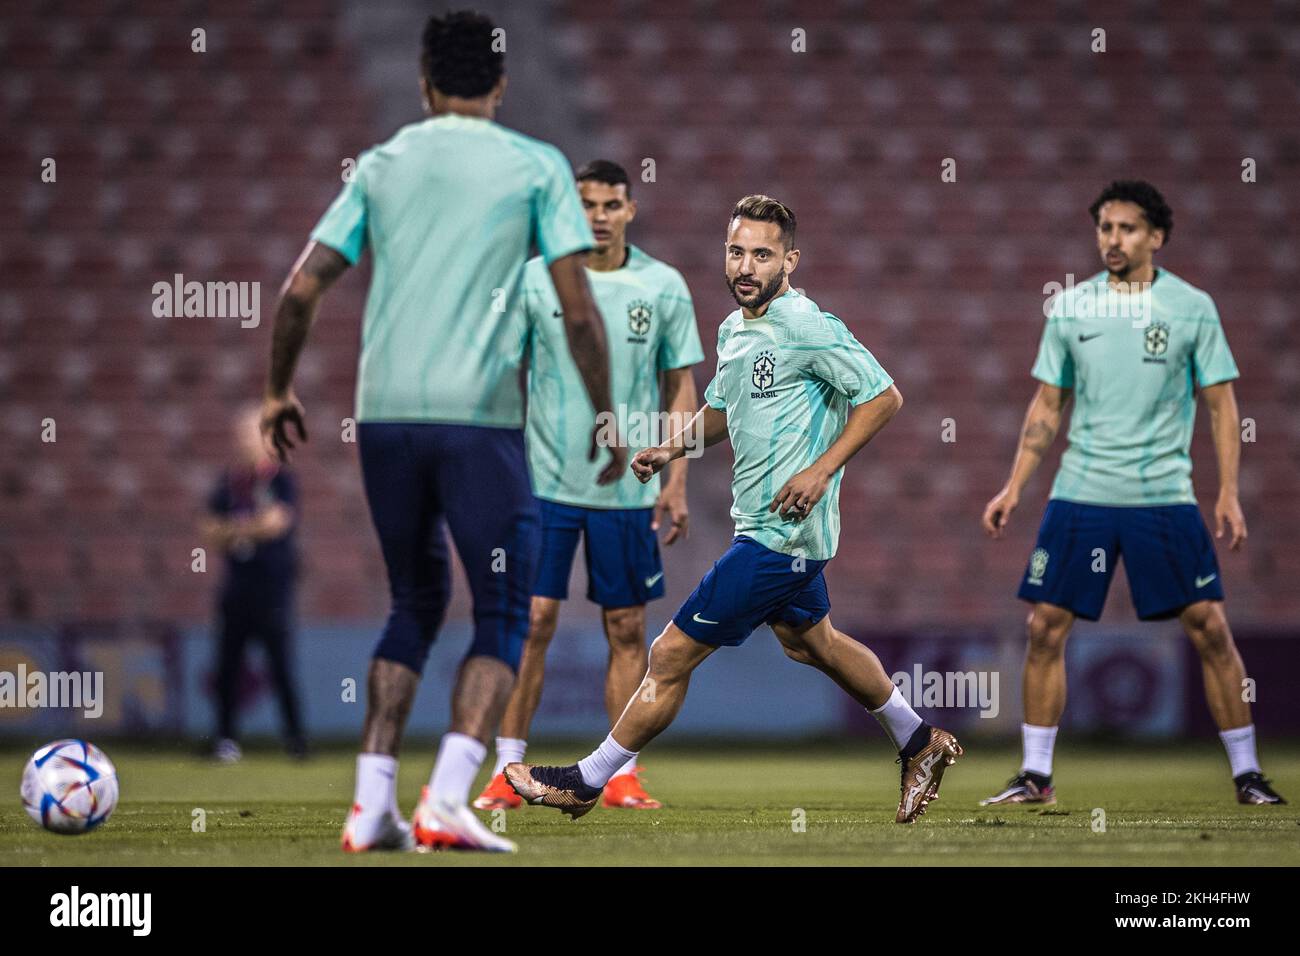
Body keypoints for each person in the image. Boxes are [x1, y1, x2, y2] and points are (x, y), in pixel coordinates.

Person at [260, 10, 622, 853]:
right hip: (479, 420)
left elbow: (300, 290)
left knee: (413, 603)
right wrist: (606, 407)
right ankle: (449, 798)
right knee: (499, 605)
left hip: (384, 419)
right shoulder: (534, 164)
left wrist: (278, 391)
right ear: (499, 84)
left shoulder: (383, 164)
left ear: (424, 83)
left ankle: (370, 805)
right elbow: (576, 305)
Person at [507, 195, 963, 826]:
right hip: (774, 531)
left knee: (667, 656)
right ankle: (920, 740)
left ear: (790, 260)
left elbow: (884, 397)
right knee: (815, 645)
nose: (746, 265)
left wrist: (821, 468)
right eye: (736, 250)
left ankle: (587, 780)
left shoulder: (808, 325)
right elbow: (722, 410)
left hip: (782, 536)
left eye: (762, 254)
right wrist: (671, 448)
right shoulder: (733, 329)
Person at [980, 179, 1285, 807]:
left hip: (1162, 495)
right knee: (1043, 627)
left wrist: (1228, 492)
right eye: (1104, 228)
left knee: (1208, 626)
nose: (1112, 239)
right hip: (1082, 491)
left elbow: (1223, 406)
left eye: (1126, 228)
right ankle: (1036, 776)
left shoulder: (1191, 307)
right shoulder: (1071, 307)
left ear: (1156, 236)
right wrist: (1014, 485)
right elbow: (1047, 405)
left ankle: (1248, 774)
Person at [474, 160, 704, 813]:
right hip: (544, 483)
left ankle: (617, 774)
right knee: (534, 621)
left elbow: (680, 385)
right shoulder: (535, 277)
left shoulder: (662, 285)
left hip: (628, 491)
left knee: (627, 627)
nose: (599, 215)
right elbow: (501, 370)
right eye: (587, 204)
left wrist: (677, 477)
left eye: (611, 203)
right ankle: (507, 770)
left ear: (630, 209)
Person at [201, 405, 305, 762]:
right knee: (227, 667)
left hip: (272, 589)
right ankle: (225, 740)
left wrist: (235, 529)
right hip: (236, 588)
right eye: (241, 434)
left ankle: (296, 740)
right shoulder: (229, 482)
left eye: (251, 434)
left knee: (280, 667)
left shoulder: (280, 480)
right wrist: (248, 528)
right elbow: (209, 531)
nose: (244, 441)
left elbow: (277, 523)